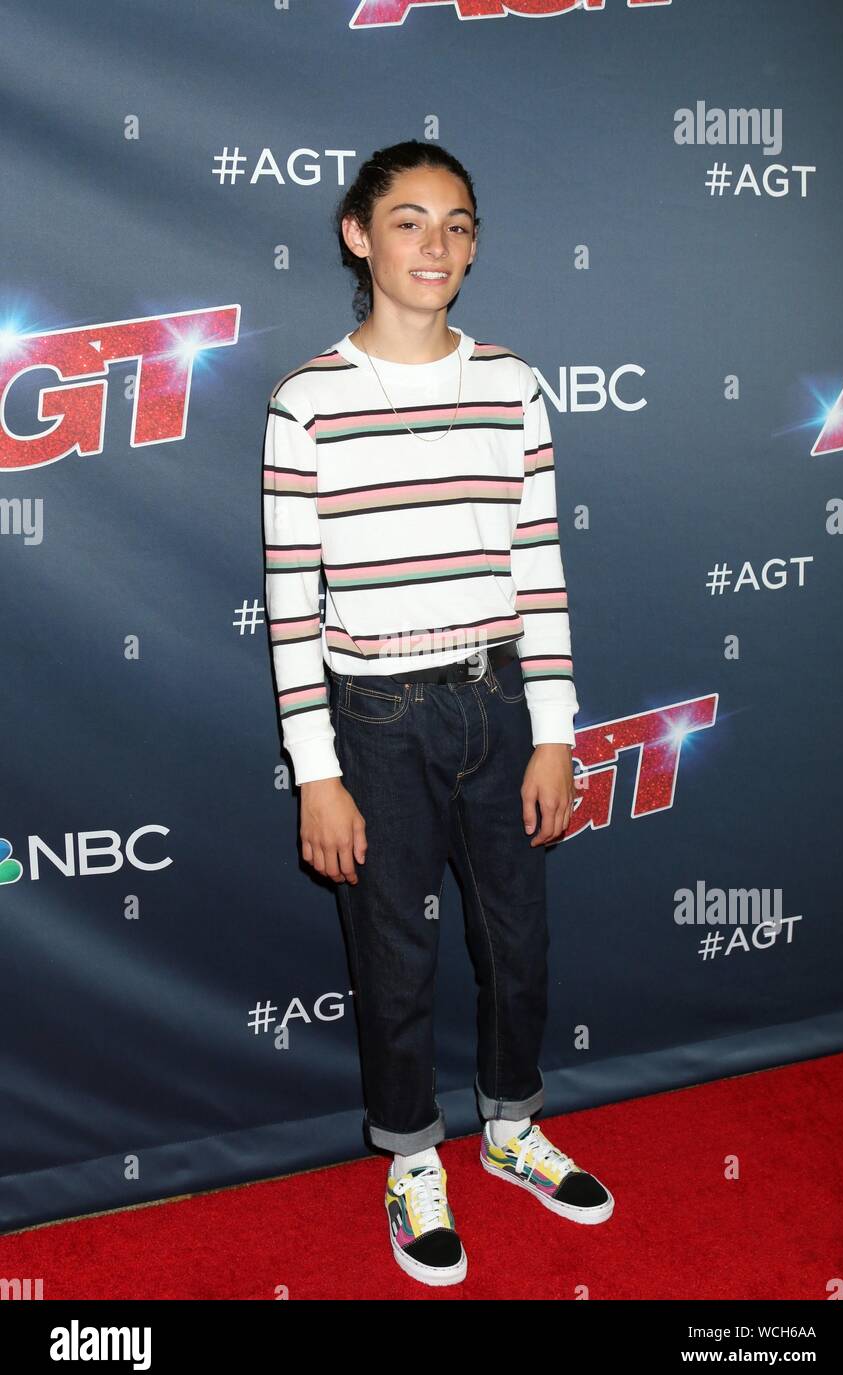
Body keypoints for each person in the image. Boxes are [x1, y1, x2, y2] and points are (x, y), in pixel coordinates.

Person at [262, 140, 614, 1288]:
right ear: (357, 236)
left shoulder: (513, 383)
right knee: (395, 958)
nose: (437, 245)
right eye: (409, 221)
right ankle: (412, 1158)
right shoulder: (305, 401)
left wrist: (556, 730)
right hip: (371, 724)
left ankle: (509, 1128)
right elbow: (287, 601)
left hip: (499, 702)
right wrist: (316, 768)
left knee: (517, 943)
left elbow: (540, 570)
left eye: (458, 224)